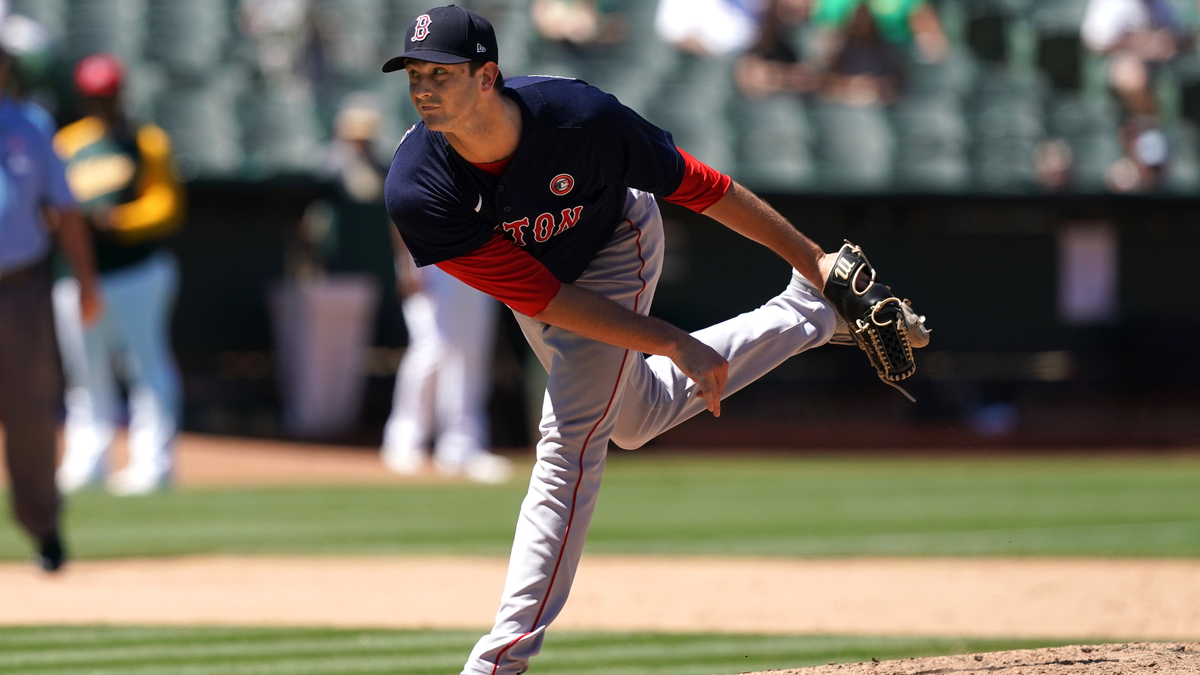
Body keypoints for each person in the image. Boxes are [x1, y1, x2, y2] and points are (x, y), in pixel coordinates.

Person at [380, 6, 881, 673]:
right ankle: (805, 317)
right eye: (414, 73)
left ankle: (500, 659)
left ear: (487, 76)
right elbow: (542, 297)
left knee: (569, 443)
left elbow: (702, 186)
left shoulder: (580, 118)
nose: (422, 88)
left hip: (617, 241)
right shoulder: (418, 188)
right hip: (545, 283)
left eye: (440, 72)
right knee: (634, 419)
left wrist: (813, 259)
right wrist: (675, 342)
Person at [52, 53, 186, 496]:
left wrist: (120, 221)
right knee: (86, 375)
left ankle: (155, 464)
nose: (101, 104)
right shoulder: (70, 143)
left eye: (107, 96)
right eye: (94, 97)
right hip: (81, 274)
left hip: (137, 270)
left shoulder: (146, 141)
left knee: (146, 368)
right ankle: (87, 462)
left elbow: (167, 207)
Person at [0, 44, 102, 571]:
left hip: (18, 288)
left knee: (30, 416)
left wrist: (85, 282)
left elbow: (65, 208)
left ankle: (44, 529)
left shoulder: (30, 124)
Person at [1081, 0, 1188, 192]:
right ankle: (1151, 138)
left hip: (1161, 69)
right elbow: (1094, 41)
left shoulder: (1162, 4)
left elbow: (1180, 37)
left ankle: (1152, 144)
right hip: (1116, 65)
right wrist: (1138, 44)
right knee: (1130, 73)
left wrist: (1166, 43)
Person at [809, 0, 948, 106]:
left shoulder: (889, 50)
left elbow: (897, 87)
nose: (861, 21)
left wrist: (876, 89)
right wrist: (849, 87)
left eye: (865, 16)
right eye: (856, 15)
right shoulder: (838, 47)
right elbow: (823, 82)